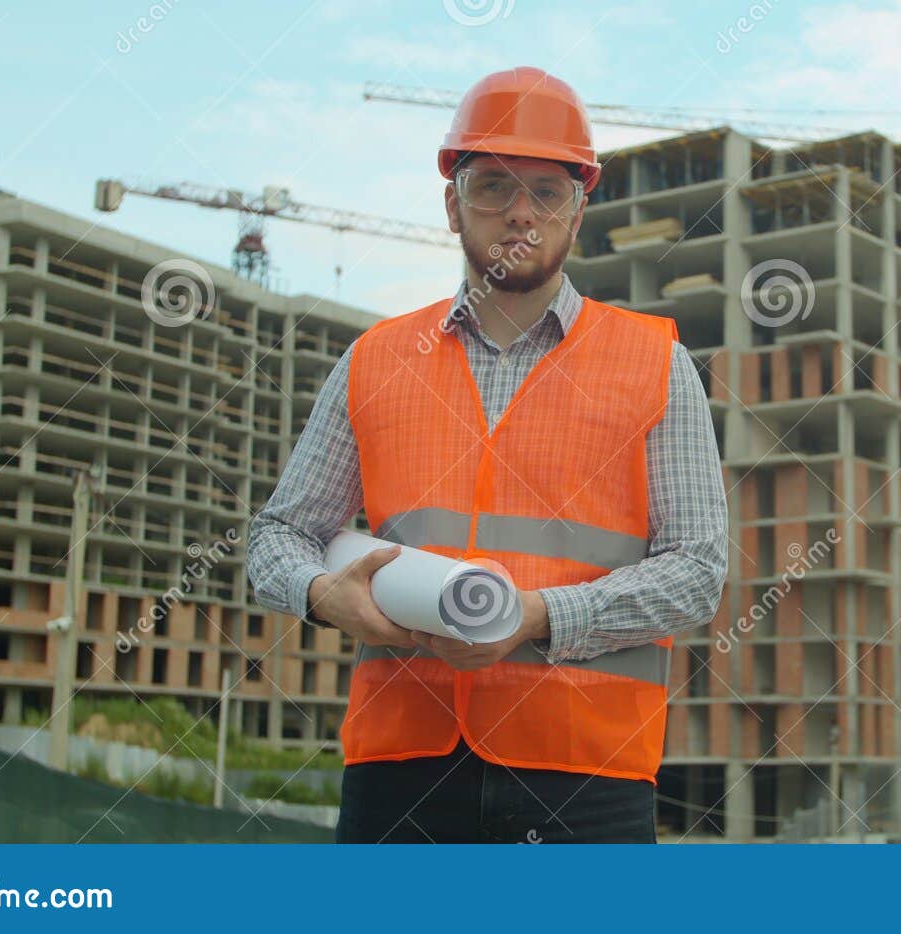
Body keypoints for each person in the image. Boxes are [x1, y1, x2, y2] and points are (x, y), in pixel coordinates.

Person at [246, 66, 727, 843]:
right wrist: (324, 594)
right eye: (493, 185)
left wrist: (538, 617)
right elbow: (277, 536)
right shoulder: (376, 359)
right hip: (401, 770)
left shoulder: (656, 364)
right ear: (452, 205)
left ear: (578, 210)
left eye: (547, 191)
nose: (520, 211)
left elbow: (698, 570)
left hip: (586, 777)